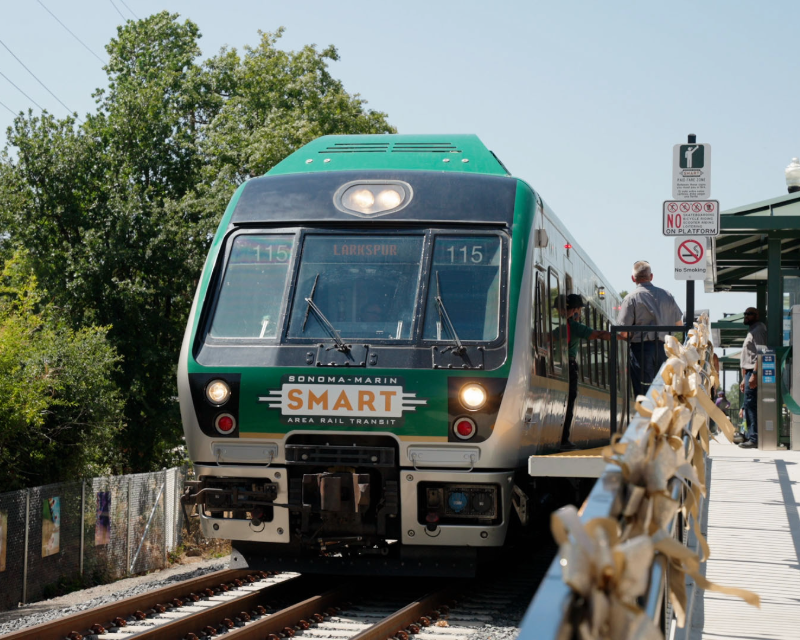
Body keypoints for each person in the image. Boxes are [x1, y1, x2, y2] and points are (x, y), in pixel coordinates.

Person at [616, 260, 683, 398]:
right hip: (666, 349)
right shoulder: (667, 296)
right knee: (665, 389)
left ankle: (647, 418)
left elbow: (624, 333)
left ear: (633, 278)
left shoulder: (630, 299)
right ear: (651, 276)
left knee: (644, 391)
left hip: (641, 350)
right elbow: (679, 325)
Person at [561, 293, 616, 449]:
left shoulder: (561, 324)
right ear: (575, 309)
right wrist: (623, 336)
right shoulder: (574, 326)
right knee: (569, 403)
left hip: (560, 364)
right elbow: (598, 334)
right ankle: (564, 439)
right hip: (570, 366)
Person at [738, 307, 767, 449]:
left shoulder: (758, 330)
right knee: (748, 404)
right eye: (745, 314)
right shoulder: (752, 330)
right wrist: (744, 378)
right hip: (749, 373)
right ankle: (750, 435)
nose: (746, 316)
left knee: (751, 405)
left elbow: (761, 354)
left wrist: (754, 375)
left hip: (753, 372)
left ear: (757, 315)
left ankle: (754, 438)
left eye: (749, 314)